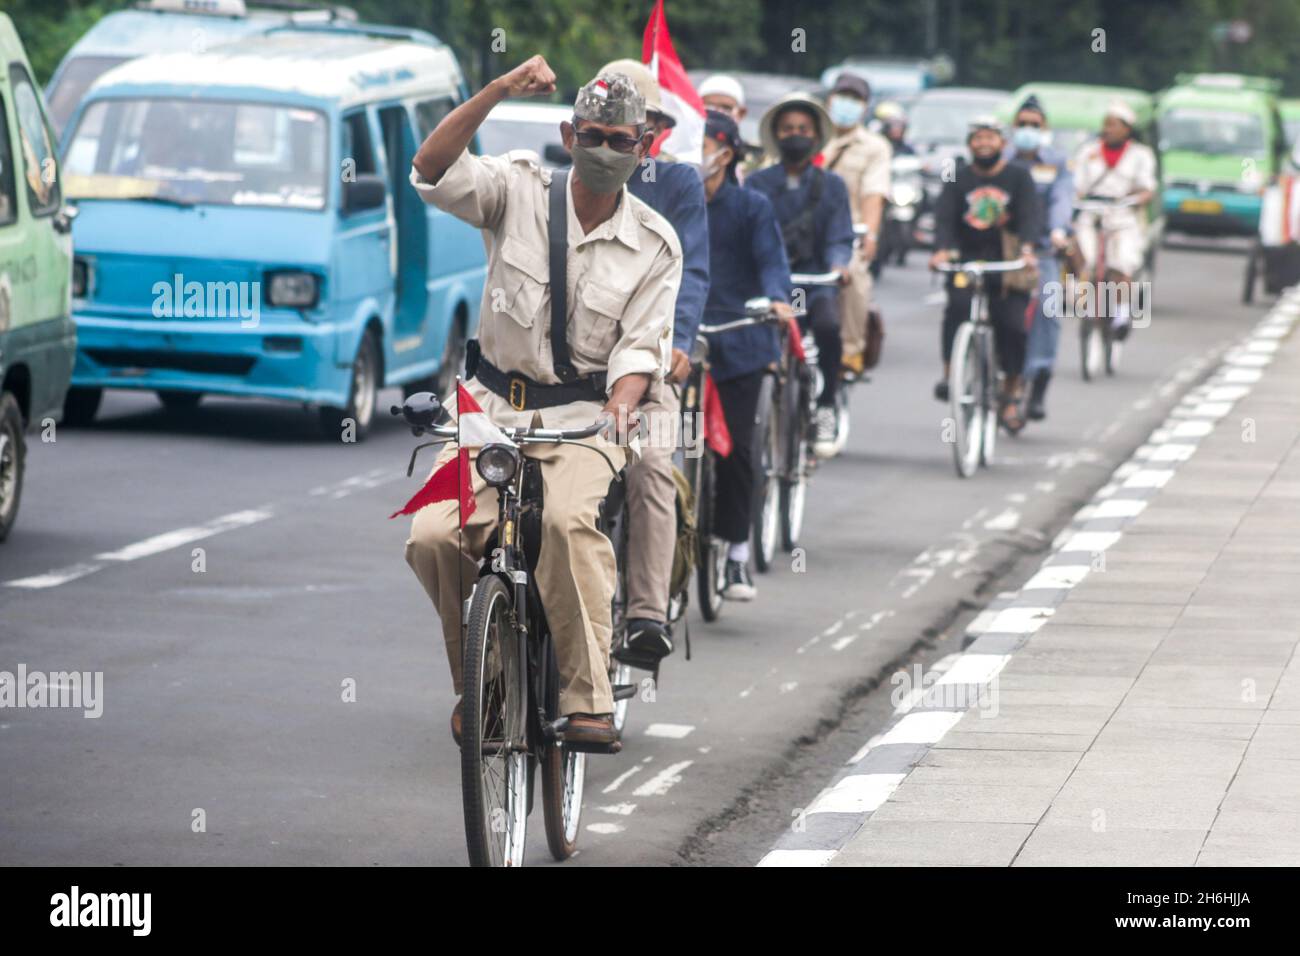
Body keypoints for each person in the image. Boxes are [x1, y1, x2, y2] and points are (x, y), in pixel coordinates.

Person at [405, 58, 682, 748]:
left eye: (622, 141)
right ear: (569, 133)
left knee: (563, 523)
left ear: (643, 147)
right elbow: (433, 167)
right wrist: (497, 90)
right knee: (433, 536)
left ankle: (588, 699)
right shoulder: (516, 190)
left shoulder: (655, 243)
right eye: (593, 135)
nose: (606, 151)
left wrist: (620, 408)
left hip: (585, 419)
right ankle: (482, 684)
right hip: (486, 411)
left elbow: (640, 349)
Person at [598, 59, 709, 666]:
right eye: (600, 131)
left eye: (631, 129)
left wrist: (680, 342)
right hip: (569, 375)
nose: (614, 141)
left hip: (651, 370)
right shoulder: (565, 183)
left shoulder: (677, 186)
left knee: (650, 467)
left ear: (654, 132)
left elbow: (691, 272)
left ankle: (645, 612)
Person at [698, 109, 794, 600]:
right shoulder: (674, 203)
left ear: (725, 153)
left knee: (736, 451)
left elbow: (773, 264)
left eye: (703, 143)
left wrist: (776, 300)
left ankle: (736, 554)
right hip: (681, 343)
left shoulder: (752, 207)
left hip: (741, 338)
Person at [746, 92, 856, 458]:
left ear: (815, 136)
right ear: (777, 134)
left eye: (803, 129)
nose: (795, 134)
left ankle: (826, 403)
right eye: (788, 128)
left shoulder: (832, 186)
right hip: (770, 283)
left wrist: (839, 267)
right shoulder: (757, 184)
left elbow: (841, 236)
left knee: (827, 326)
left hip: (813, 280)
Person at [929, 117, 1040, 434]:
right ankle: (950, 373)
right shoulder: (956, 175)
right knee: (957, 309)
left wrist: (1028, 249)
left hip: (1007, 264)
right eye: (978, 138)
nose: (984, 144)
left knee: (1013, 326)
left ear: (1003, 144)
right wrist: (942, 250)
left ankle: (1013, 387)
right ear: (969, 143)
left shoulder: (1019, 176)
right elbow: (944, 217)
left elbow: (1031, 216)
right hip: (967, 261)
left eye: (990, 138)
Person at [1005, 94, 1073, 421]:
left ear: (1044, 129)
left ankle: (1040, 378)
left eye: (1035, 125)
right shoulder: (1000, 159)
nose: (1028, 130)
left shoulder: (1056, 163)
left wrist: (1060, 230)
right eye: (1022, 124)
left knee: (1048, 307)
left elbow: (1062, 200)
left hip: (1044, 247)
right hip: (1005, 248)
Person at [821, 71, 891, 377]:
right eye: (842, 96)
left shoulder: (874, 146)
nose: (847, 104)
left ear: (865, 107)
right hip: (797, 229)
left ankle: (850, 350)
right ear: (829, 99)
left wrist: (870, 235)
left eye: (855, 99)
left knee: (853, 275)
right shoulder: (812, 133)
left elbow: (873, 195)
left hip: (845, 233)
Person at [1072, 100, 1157, 342]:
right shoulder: (1088, 152)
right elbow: (1076, 185)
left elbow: (1147, 189)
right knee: (1085, 258)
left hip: (1123, 214)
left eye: (1113, 125)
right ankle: (1089, 302)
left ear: (1127, 128)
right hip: (1092, 211)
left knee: (1122, 263)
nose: (1108, 129)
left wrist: (1137, 199)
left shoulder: (1141, 155)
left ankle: (1121, 314)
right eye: (1105, 124)